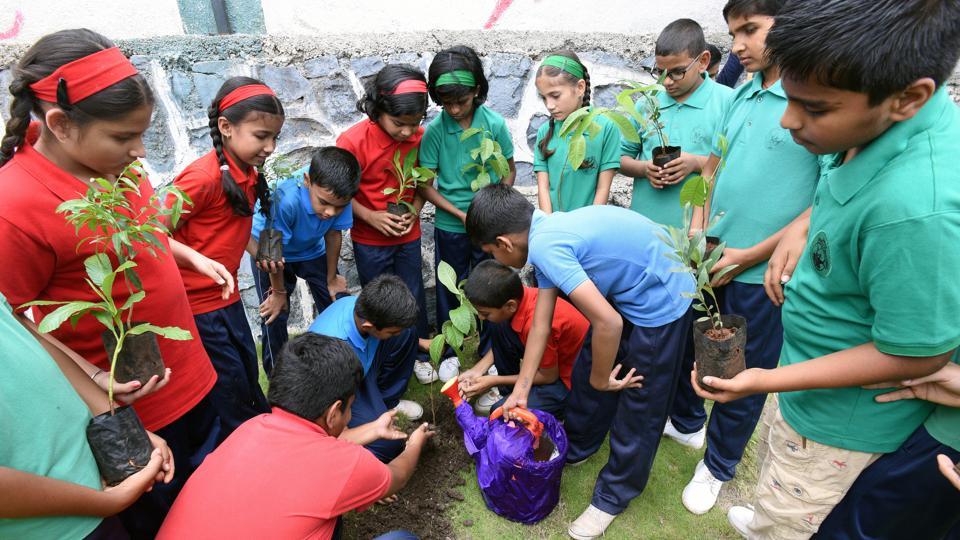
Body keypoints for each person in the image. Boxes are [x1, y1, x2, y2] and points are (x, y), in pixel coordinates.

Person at [692, 0, 960, 537]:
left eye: (813, 109)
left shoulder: (916, 209)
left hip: (838, 424)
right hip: (808, 382)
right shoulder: (873, 123)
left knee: (795, 517)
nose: (789, 121)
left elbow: (918, 352)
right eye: (790, 97)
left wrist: (766, 379)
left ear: (909, 98)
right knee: (777, 483)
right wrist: (803, 224)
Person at [0, 29, 224, 538]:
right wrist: (95, 382)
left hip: (192, 376)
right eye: (124, 137)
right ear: (60, 124)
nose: (139, 151)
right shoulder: (13, 206)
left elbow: (147, 236)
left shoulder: (116, 168)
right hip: (130, 412)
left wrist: (187, 255)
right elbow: (11, 326)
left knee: (213, 503)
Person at [663, 0, 820, 518]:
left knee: (742, 373)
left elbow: (827, 195)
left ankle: (718, 465)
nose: (738, 46)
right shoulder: (743, 93)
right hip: (712, 259)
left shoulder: (812, 97)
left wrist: (749, 255)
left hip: (762, 274)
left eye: (750, 30)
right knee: (696, 349)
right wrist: (698, 230)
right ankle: (688, 423)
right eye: (733, 33)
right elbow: (711, 168)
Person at [465, 184, 693, 539]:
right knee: (590, 369)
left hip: (660, 298)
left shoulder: (547, 247)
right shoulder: (542, 234)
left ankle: (612, 497)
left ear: (504, 243)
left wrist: (603, 380)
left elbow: (609, 323)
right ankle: (581, 445)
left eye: (491, 252)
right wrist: (521, 390)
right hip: (627, 291)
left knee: (639, 406)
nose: (495, 259)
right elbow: (541, 324)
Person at [157, 333, 433, 540]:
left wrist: (371, 433)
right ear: (334, 412)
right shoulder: (342, 464)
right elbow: (398, 476)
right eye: (350, 407)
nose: (351, 416)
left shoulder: (250, 428)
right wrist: (414, 443)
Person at [0, 291, 174, 539]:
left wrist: (123, 427)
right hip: (56, 527)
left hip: (97, 481)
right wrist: (110, 502)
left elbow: (25, 333)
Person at [170, 76, 283, 436]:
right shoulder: (202, 178)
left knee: (246, 371)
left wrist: (260, 255)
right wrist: (195, 259)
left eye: (275, 137)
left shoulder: (246, 173)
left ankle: (259, 437)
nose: (270, 147)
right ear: (226, 127)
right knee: (226, 387)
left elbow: (231, 227)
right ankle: (241, 448)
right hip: (197, 306)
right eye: (261, 136)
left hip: (226, 297)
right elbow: (149, 232)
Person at [419, 46, 516, 383]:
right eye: (446, 103)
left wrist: (494, 207)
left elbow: (508, 169)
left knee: (492, 287)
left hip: (489, 226)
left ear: (477, 90)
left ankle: (491, 353)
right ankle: (449, 353)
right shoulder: (435, 131)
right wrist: (460, 215)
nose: (455, 109)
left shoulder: (494, 125)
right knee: (449, 287)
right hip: (451, 225)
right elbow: (425, 185)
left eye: (461, 100)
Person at [336, 64, 432, 351]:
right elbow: (339, 192)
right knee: (380, 300)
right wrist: (369, 216)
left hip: (408, 236)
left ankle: (418, 352)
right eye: (399, 123)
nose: (407, 131)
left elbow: (424, 183)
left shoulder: (421, 138)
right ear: (377, 110)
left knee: (413, 292)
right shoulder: (352, 142)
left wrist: (415, 210)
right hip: (370, 241)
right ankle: (385, 352)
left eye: (415, 123)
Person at [250, 146, 360, 374]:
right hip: (270, 251)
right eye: (324, 203)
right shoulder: (285, 199)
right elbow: (272, 253)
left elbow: (333, 234)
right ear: (308, 181)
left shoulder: (341, 194)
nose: (330, 212)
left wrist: (331, 277)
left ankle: (341, 367)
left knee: (336, 299)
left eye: (338, 207)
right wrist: (278, 293)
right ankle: (278, 377)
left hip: (310, 247)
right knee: (275, 312)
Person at [620, 18, 732, 227]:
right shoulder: (647, 103)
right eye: (660, 72)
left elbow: (738, 164)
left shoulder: (728, 102)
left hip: (696, 230)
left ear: (703, 61)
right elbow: (619, 159)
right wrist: (644, 169)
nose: (667, 81)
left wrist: (696, 163)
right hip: (642, 227)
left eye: (677, 72)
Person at [308, 275, 423, 461]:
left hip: (359, 367)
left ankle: (385, 403)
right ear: (369, 326)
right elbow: (338, 435)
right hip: (339, 389)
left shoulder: (359, 307)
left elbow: (400, 332)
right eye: (391, 332)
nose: (396, 334)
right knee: (388, 444)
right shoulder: (332, 354)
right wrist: (375, 429)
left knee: (408, 332)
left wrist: (420, 343)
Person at [458, 260, 588, 418]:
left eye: (485, 313)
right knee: (498, 325)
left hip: (570, 381)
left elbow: (549, 376)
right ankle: (509, 393)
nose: (481, 317)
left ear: (510, 305)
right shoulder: (522, 297)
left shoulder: (538, 325)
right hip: (553, 362)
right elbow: (506, 339)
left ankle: (553, 410)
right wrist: (478, 370)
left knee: (500, 413)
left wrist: (493, 380)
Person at [533, 51, 621, 213]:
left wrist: (588, 224)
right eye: (544, 97)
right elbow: (543, 188)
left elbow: (603, 188)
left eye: (555, 95)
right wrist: (549, 222)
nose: (549, 105)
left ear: (580, 87)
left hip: (589, 223)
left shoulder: (606, 129)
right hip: (553, 223)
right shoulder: (545, 132)